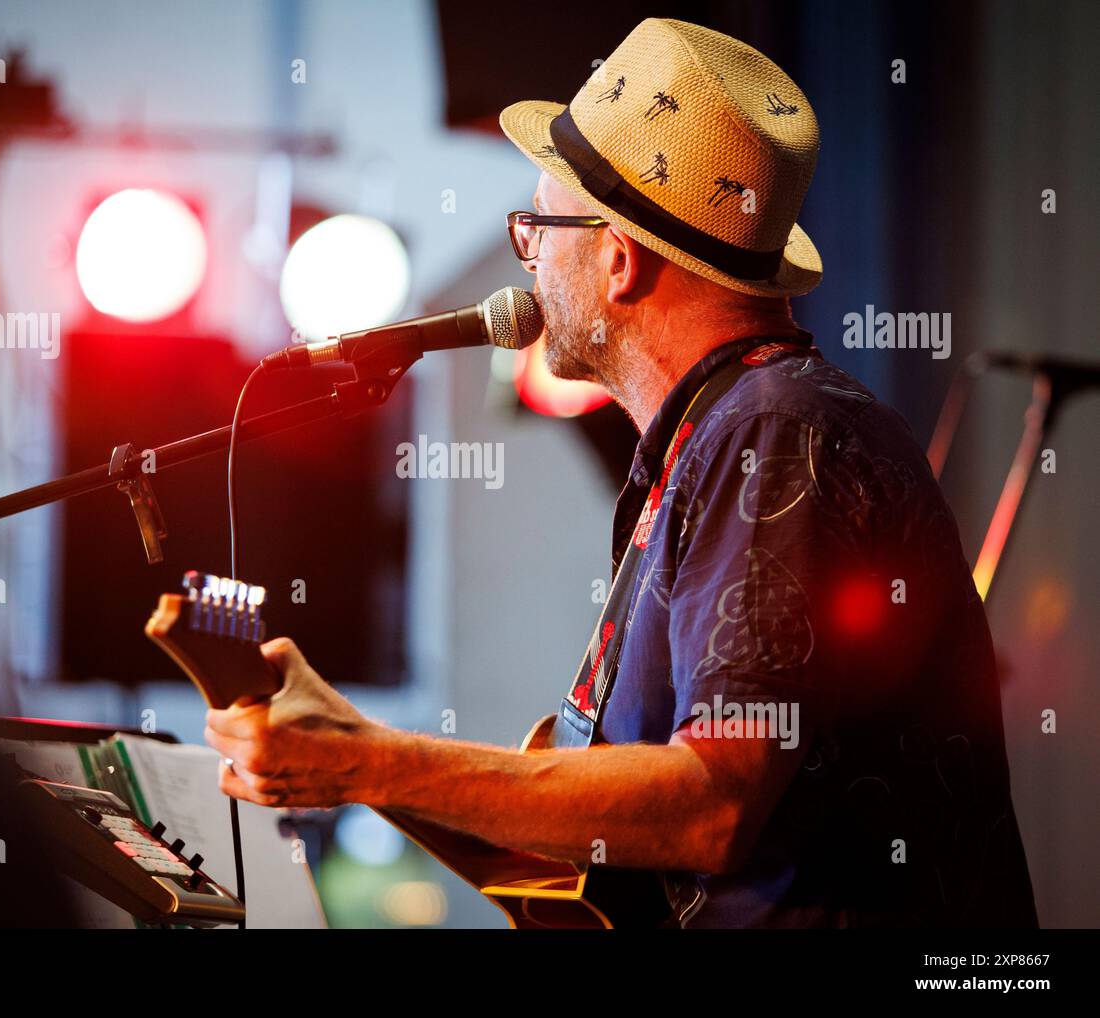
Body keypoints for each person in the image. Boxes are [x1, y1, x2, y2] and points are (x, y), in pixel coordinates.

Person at [204, 19, 1037, 927]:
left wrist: (365, 759)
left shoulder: (774, 432)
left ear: (617, 257)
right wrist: (356, 755)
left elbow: (710, 804)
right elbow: (586, 853)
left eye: (534, 228)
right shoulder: (723, 437)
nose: (526, 260)